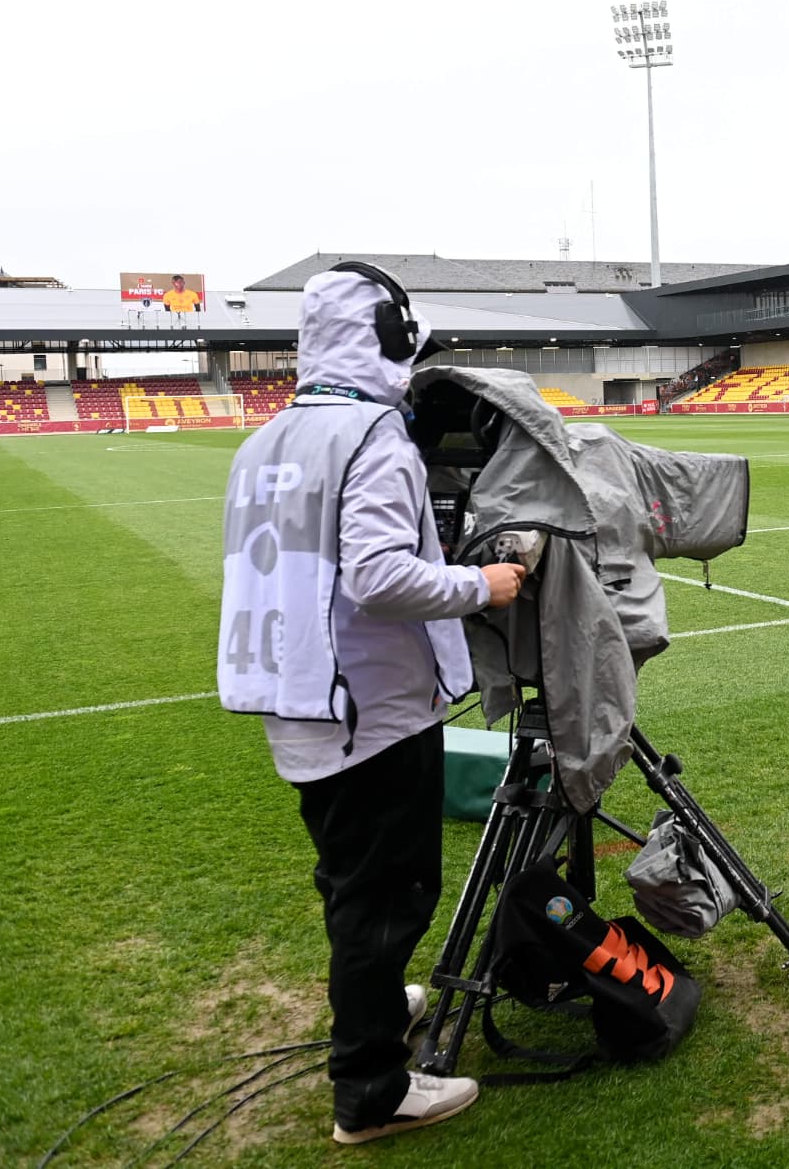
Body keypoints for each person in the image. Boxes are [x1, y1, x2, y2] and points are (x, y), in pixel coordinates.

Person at [217, 265, 525, 1145]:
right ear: (388, 340)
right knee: (384, 897)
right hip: (371, 710)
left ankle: (381, 1006)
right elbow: (381, 576)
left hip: (302, 701)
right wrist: (481, 583)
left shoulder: (265, 439)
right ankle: (371, 1089)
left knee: (351, 880)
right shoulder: (371, 437)